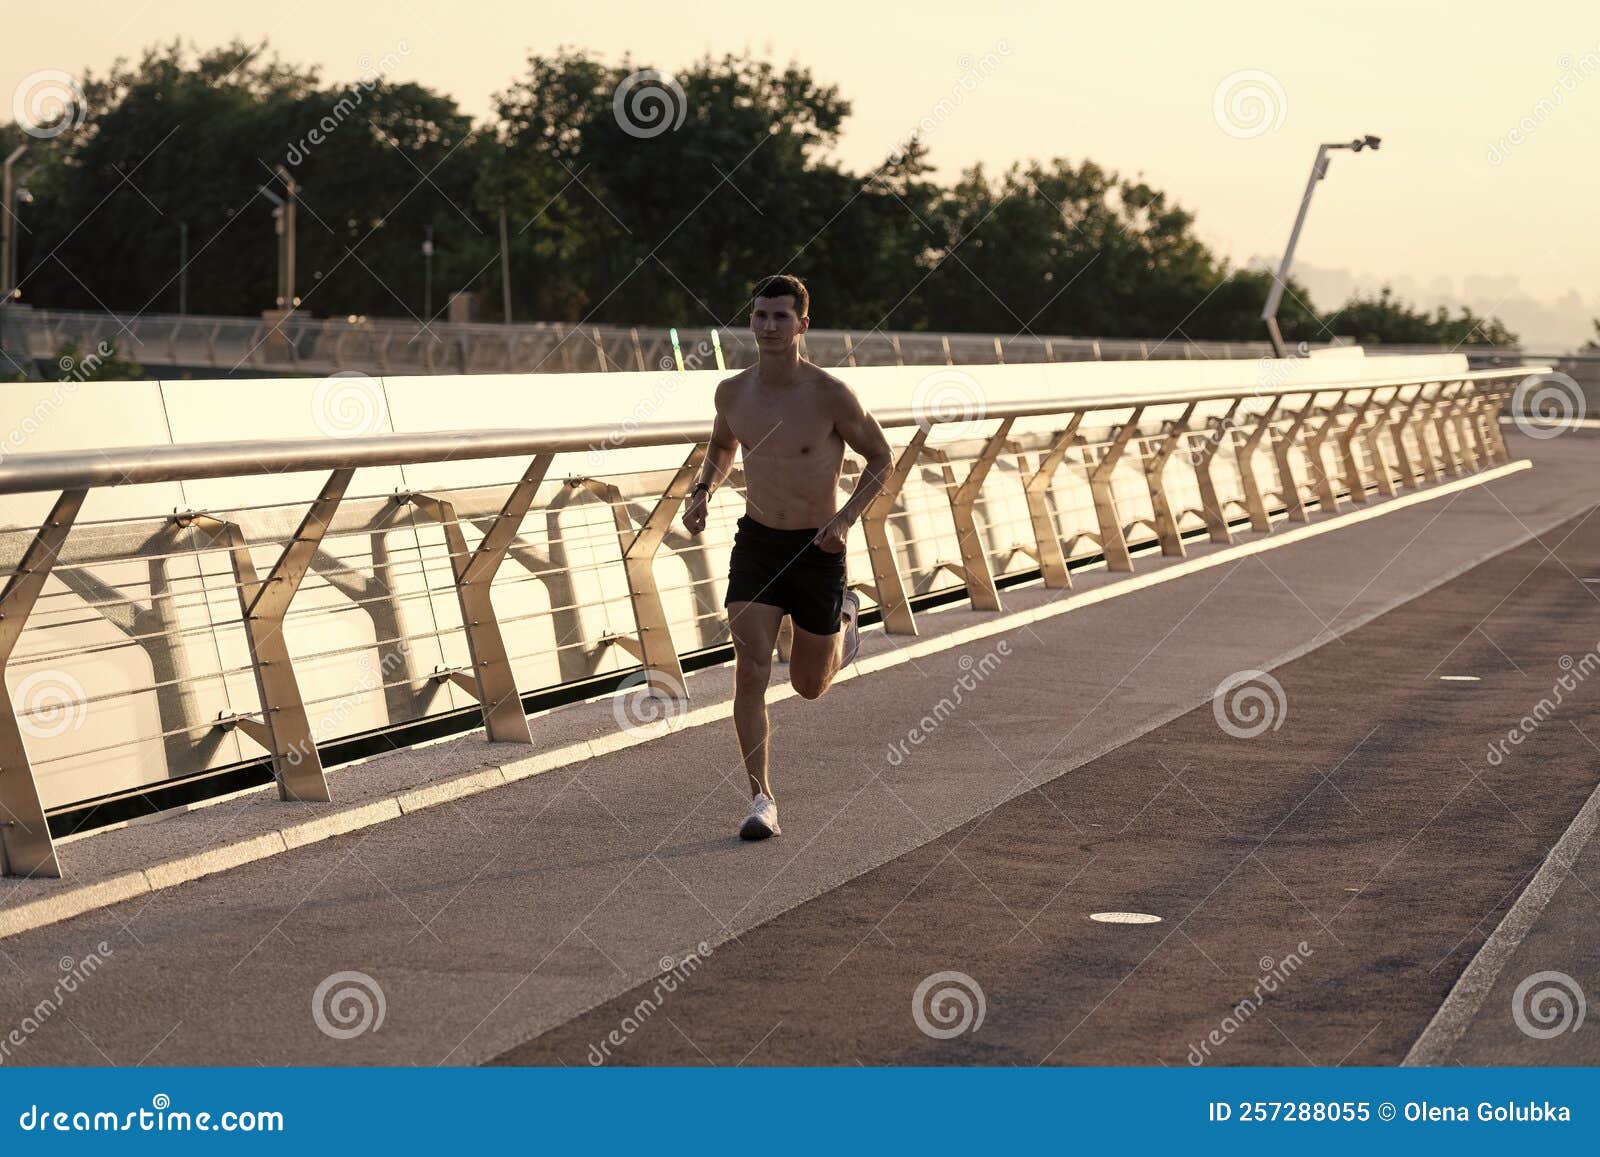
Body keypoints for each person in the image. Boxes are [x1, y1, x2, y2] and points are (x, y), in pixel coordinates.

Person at [681, 274, 894, 840]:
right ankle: (761, 799)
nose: (769, 326)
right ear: (750, 321)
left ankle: (845, 619)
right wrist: (701, 491)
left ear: (803, 324)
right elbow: (724, 446)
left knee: (807, 686)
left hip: (816, 549)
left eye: (781, 317)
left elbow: (881, 457)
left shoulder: (830, 395)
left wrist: (845, 520)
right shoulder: (732, 392)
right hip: (757, 543)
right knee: (750, 668)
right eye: (760, 316)